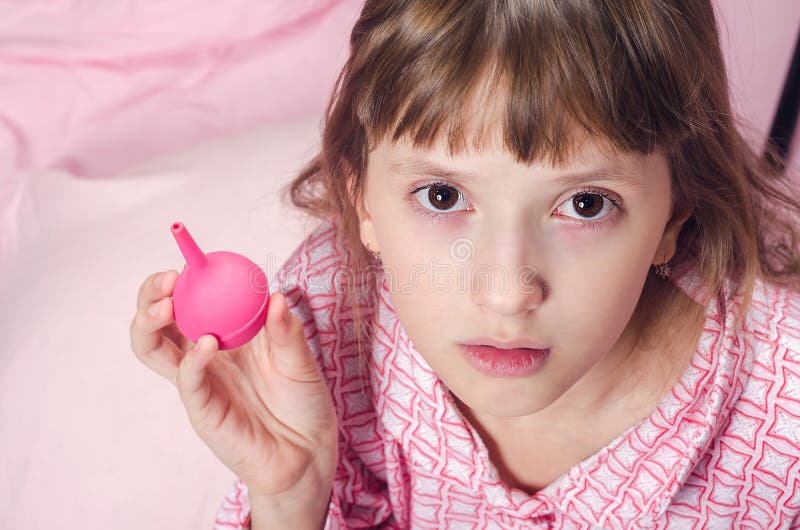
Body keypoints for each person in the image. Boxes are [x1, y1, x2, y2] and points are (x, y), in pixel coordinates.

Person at [130, 1, 800, 528]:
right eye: (443, 196)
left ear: (675, 212)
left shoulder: (781, 430)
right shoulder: (328, 329)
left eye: (586, 203)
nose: (507, 293)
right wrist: (290, 501)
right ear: (361, 196)